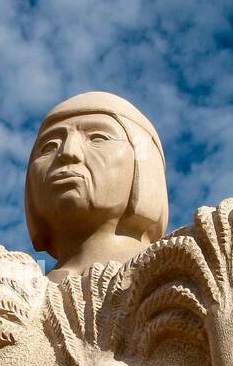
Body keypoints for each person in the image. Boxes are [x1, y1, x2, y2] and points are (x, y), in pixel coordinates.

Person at [25, 91, 168, 280]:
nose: (68, 153)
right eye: (49, 146)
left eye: (98, 137)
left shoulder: (182, 265)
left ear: (143, 159)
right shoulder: (6, 288)